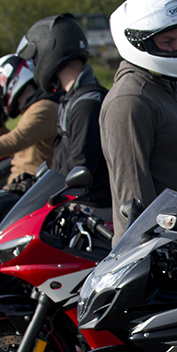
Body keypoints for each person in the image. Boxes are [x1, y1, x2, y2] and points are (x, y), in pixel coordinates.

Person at [100, 0, 177, 241]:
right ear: (140, 44)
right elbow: (133, 200)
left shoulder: (166, 88)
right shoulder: (131, 101)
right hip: (161, 260)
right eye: (167, 42)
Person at [17, 14, 111, 216]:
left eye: (35, 59)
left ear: (49, 52)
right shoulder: (73, 98)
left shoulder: (87, 103)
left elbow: (78, 168)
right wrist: (34, 183)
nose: (34, 66)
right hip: (79, 208)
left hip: (93, 212)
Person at [0, 53, 57, 190]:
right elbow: (21, 149)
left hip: (33, 188)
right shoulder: (32, 109)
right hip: (23, 186)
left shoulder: (43, 108)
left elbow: (16, 141)